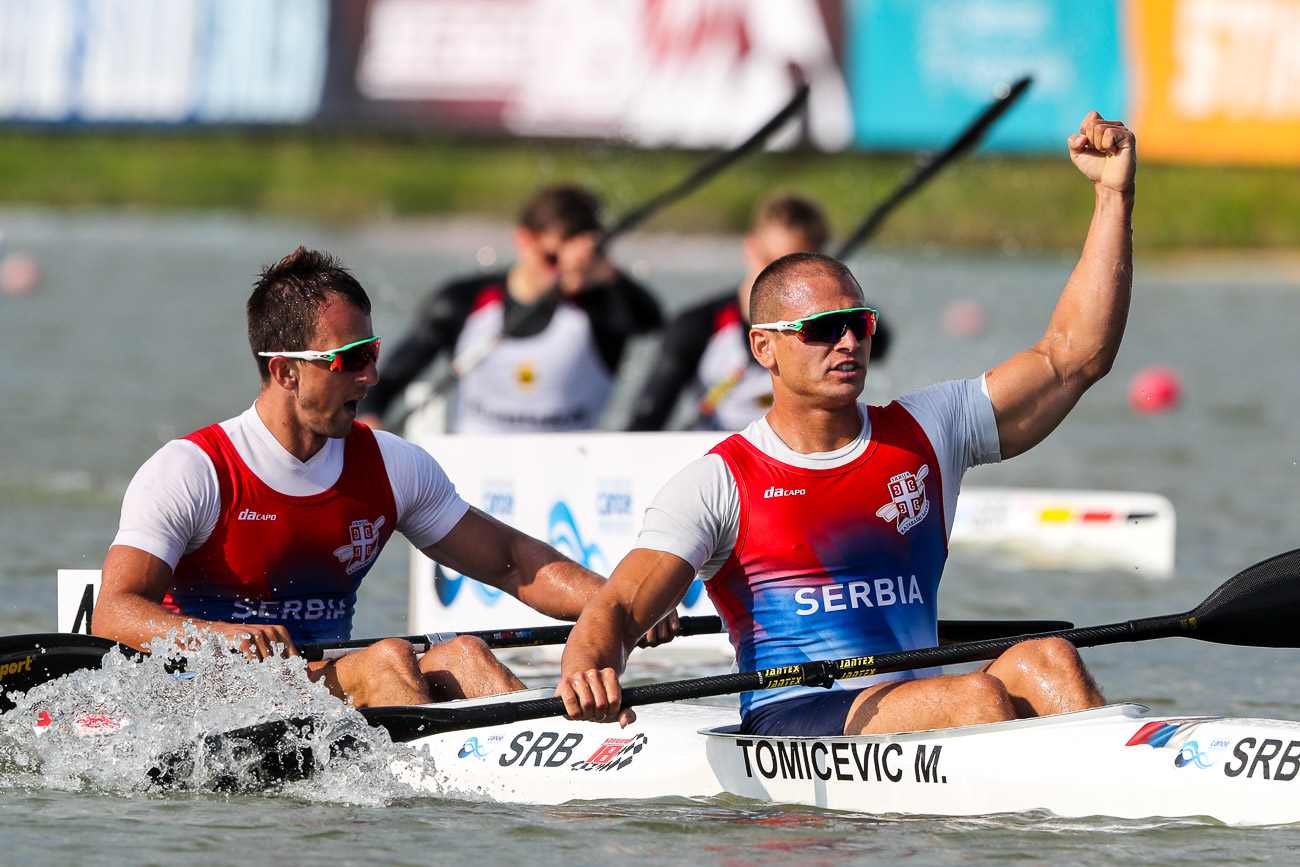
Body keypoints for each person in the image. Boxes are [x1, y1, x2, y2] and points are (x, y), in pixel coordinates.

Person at [557, 111, 1134, 736]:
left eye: (857, 324)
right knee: (975, 701)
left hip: (924, 701)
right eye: (820, 330)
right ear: (764, 348)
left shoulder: (927, 430)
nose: (846, 343)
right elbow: (618, 604)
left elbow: (1073, 356)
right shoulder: (720, 483)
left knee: (1050, 659)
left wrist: (1113, 195)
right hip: (794, 715)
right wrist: (590, 666)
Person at [94, 247, 664, 709]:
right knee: (389, 656)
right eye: (351, 358)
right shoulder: (194, 470)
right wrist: (214, 639)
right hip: (207, 696)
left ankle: (575, 771)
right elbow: (114, 612)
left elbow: (512, 561)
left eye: (374, 352)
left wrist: (619, 605)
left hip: (320, 683)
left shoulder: (392, 465)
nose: (371, 375)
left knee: (465, 653)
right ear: (285, 370)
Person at [358, 184, 662, 433]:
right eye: (553, 258)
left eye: (578, 264)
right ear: (523, 239)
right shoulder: (463, 302)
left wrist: (607, 274)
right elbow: (384, 384)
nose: (564, 275)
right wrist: (371, 420)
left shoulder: (603, 313)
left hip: (567, 484)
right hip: (472, 480)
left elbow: (656, 324)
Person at [626, 194, 889, 432]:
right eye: (773, 263)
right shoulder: (696, 325)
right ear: (750, 249)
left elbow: (882, 342)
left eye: (797, 268)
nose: (783, 281)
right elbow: (644, 424)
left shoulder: (846, 326)